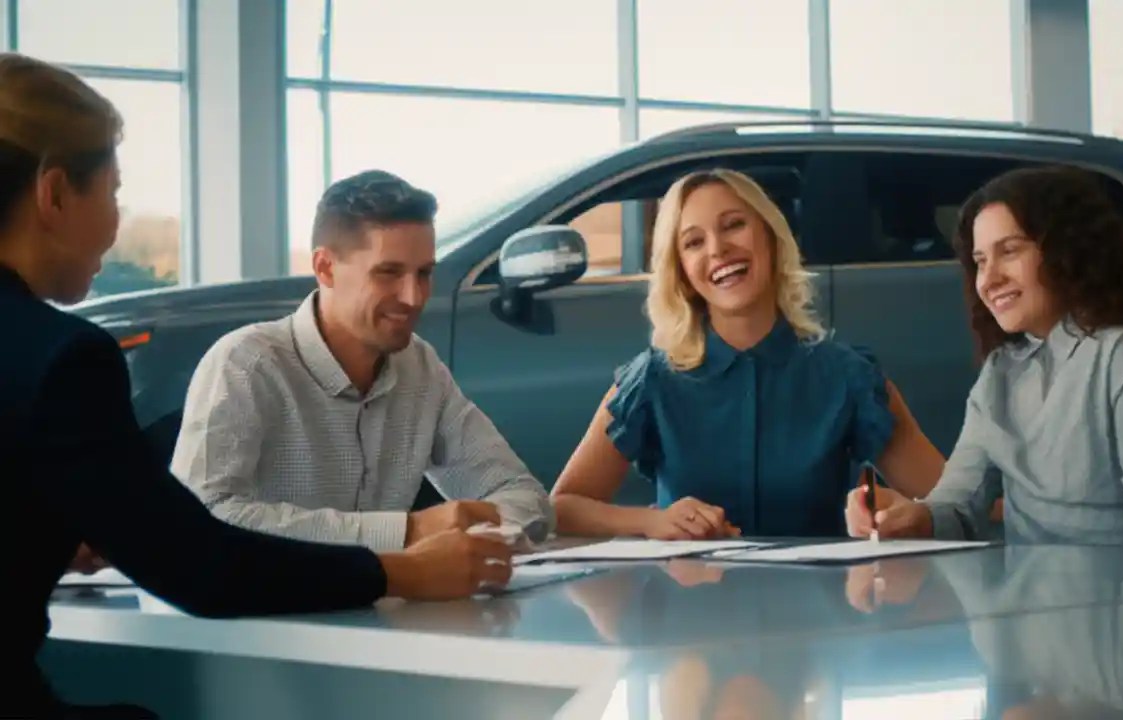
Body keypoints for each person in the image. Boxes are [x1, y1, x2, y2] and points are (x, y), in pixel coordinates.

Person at [0, 53, 513, 718]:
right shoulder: (64, 358)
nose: (116, 220)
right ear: (55, 193)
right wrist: (403, 565)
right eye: (113, 192)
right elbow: (204, 567)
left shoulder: (422, 370)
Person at [848, 165, 1123, 546]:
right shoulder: (1002, 370)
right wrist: (910, 517)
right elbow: (958, 508)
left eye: (1010, 251)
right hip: (1031, 605)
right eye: (981, 260)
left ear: (1069, 251)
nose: (989, 278)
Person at [550, 169, 945, 539]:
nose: (718, 249)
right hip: (689, 610)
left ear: (771, 238)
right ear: (682, 271)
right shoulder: (651, 380)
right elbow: (562, 508)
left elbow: (956, 501)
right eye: (693, 242)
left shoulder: (848, 378)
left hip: (818, 607)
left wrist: (898, 515)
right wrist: (652, 522)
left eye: (733, 225)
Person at [171, 170, 554, 551]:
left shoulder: (419, 365)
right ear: (325, 268)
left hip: (391, 607)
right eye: (388, 273)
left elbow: (520, 494)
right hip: (274, 611)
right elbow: (202, 518)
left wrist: (473, 536)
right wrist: (407, 532)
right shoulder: (246, 364)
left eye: (424, 273)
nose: (414, 297)